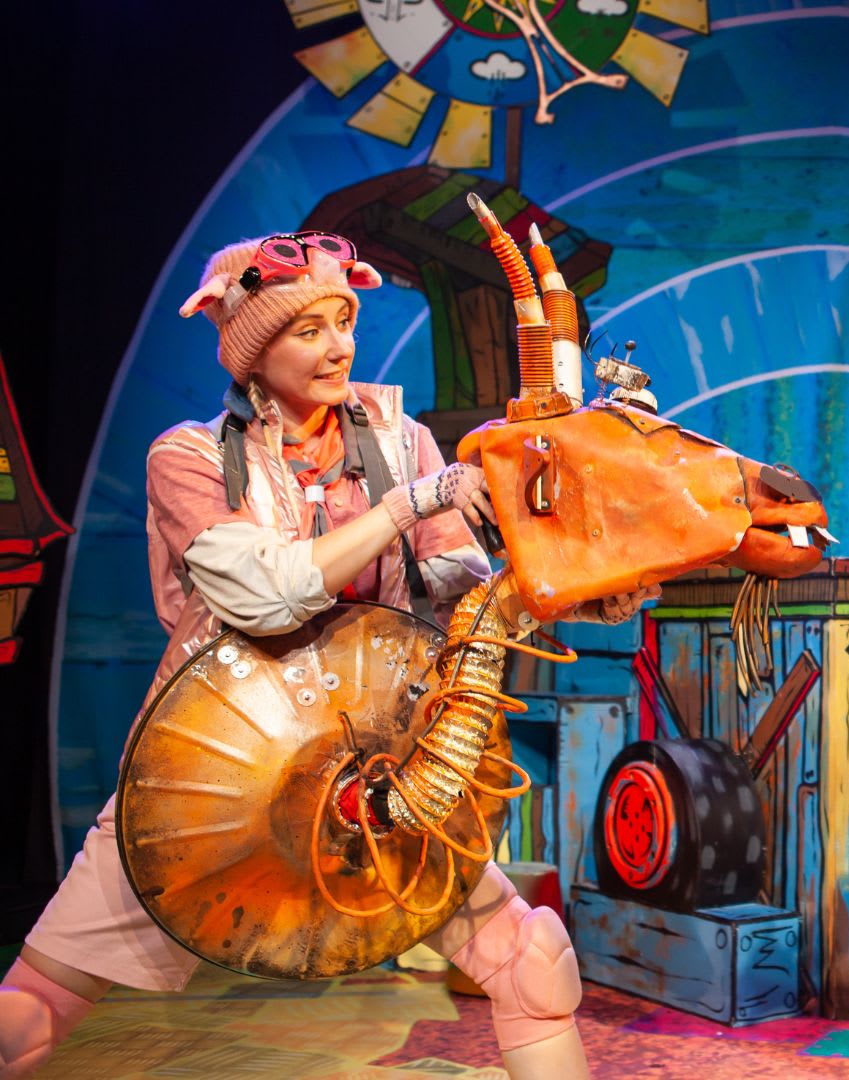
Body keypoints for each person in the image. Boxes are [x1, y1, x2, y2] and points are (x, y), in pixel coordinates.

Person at [0, 233, 640, 1079]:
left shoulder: (401, 442)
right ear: (252, 350)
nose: (339, 346)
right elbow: (265, 595)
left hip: (378, 769)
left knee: (532, 963)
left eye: (345, 321)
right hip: (217, 785)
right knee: (26, 1020)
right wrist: (410, 505)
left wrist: (568, 592)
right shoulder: (188, 458)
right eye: (308, 330)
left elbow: (462, 589)